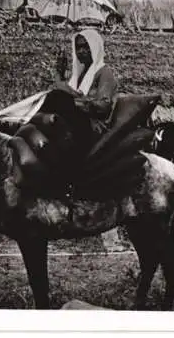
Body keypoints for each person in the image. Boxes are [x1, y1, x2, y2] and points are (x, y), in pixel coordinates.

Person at [54, 29, 125, 252]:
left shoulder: (105, 73)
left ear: (96, 48)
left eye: (86, 47)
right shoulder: (81, 75)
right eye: (78, 48)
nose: (82, 51)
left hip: (96, 127)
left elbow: (103, 105)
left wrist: (76, 98)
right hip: (79, 125)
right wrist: (60, 76)